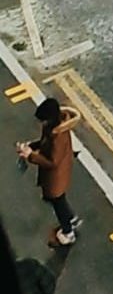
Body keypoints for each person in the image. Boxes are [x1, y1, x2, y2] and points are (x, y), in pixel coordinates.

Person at [17, 99, 81, 247]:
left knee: (57, 202)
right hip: (56, 175)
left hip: (56, 176)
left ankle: (68, 232)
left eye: (43, 120)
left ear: (50, 119)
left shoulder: (58, 137)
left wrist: (31, 156)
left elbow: (53, 162)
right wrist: (31, 146)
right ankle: (71, 218)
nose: (42, 124)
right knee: (58, 200)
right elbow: (44, 142)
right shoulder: (52, 128)